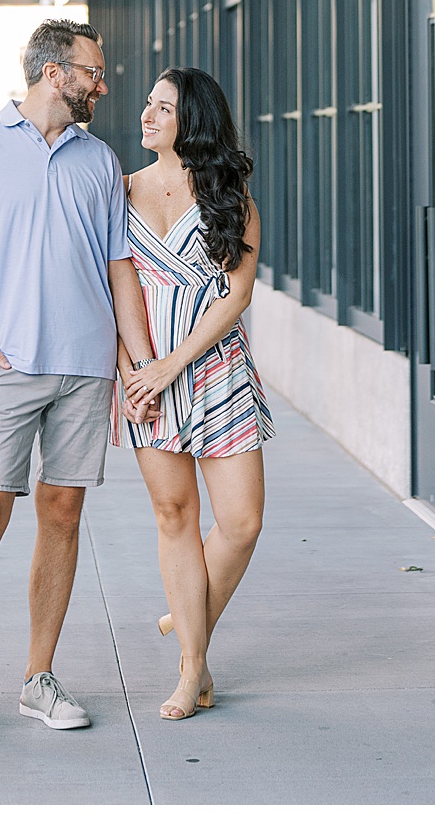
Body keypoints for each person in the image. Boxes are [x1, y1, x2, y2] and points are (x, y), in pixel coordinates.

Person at [0, 18, 153, 754]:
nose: (103, 83)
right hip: (5, 368)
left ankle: (39, 675)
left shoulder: (100, 161)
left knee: (63, 515)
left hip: (85, 369)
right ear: (54, 72)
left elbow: (119, 270)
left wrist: (137, 364)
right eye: (93, 70)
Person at [111, 66, 273, 721]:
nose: (146, 114)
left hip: (213, 370)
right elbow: (117, 286)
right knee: (175, 517)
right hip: (148, 379)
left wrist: (173, 362)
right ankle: (192, 668)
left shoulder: (230, 194)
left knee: (241, 521)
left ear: (193, 120)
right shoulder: (119, 190)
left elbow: (237, 293)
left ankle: (187, 619)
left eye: (163, 106)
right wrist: (134, 370)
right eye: (148, 103)